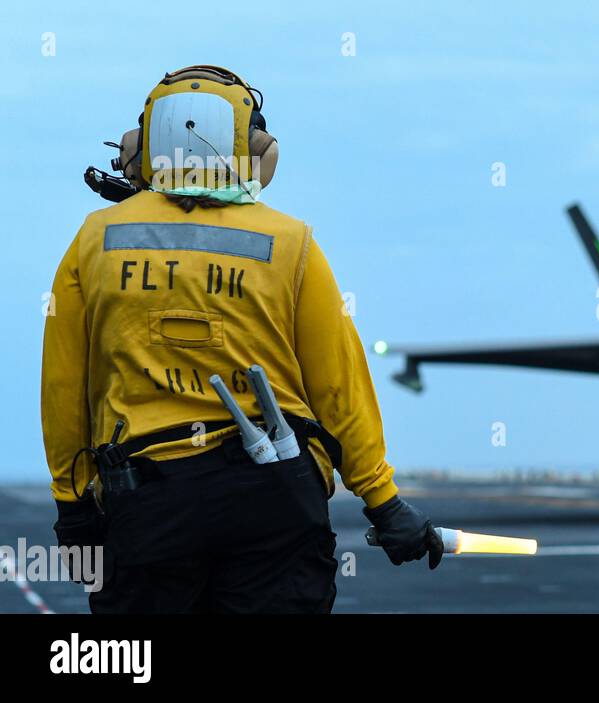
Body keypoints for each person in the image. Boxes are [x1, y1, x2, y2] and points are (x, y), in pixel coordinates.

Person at [42, 65, 440, 614]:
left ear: (145, 144)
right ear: (249, 145)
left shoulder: (95, 239)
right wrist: (383, 502)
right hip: (275, 498)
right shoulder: (291, 243)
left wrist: (72, 504)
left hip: (148, 502)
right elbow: (338, 387)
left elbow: (64, 386)